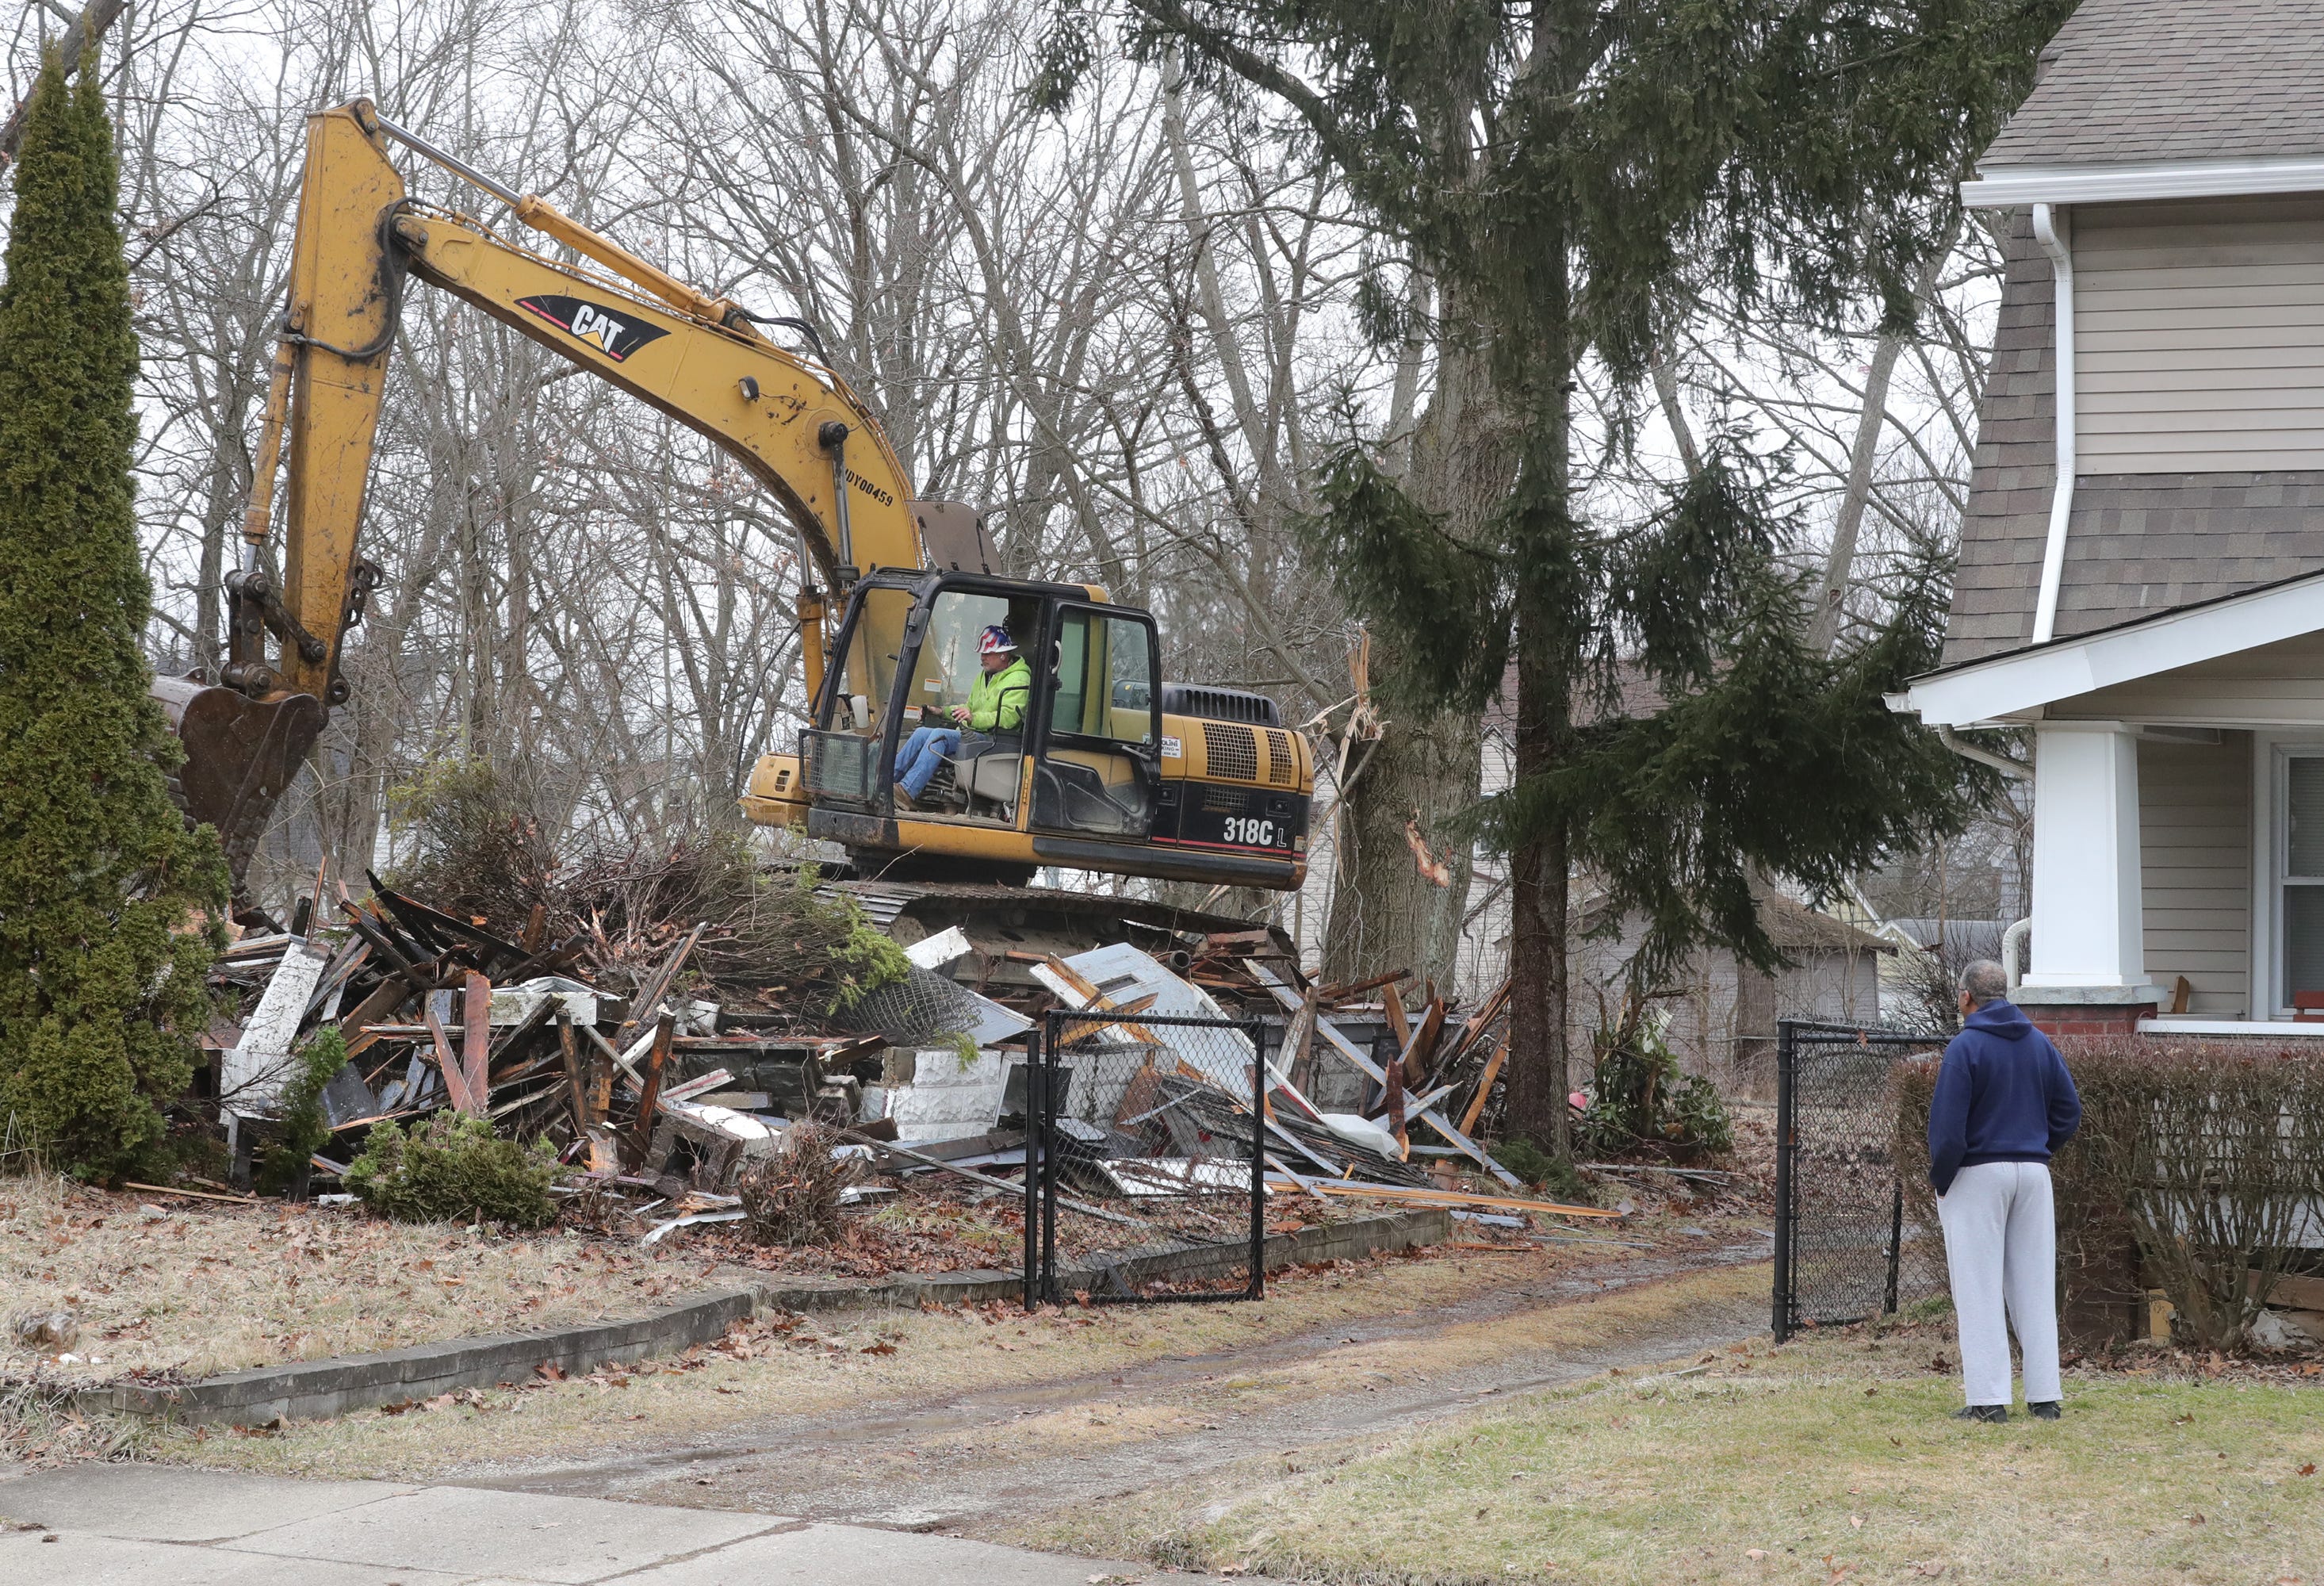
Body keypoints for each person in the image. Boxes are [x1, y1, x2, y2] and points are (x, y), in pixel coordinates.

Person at [1928, 958, 2082, 1423]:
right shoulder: (2039, 1043)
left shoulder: (1965, 1047)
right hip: (2034, 1174)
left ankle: (1989, 1401)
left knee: (1977, 1287)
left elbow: (1948, 1130)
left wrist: (1943, 1177)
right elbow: (2068, 1111)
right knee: (2034, 1285)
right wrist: (2036, 1149)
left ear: (1965, 998)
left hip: (1978, 1173)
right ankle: (2045, 1398)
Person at [893, 625, 1030, 807]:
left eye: (987, 653)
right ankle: (888, 779)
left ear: (1003, 655)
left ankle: (908, 791)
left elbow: (1008, 718)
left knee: (938, 737)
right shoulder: (985, 676)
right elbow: (969, 707)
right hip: (974, 734)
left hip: (994, 739)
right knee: (921, 733)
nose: (982, 658)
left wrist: (973, 718)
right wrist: (943, 711)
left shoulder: (1019, 679)